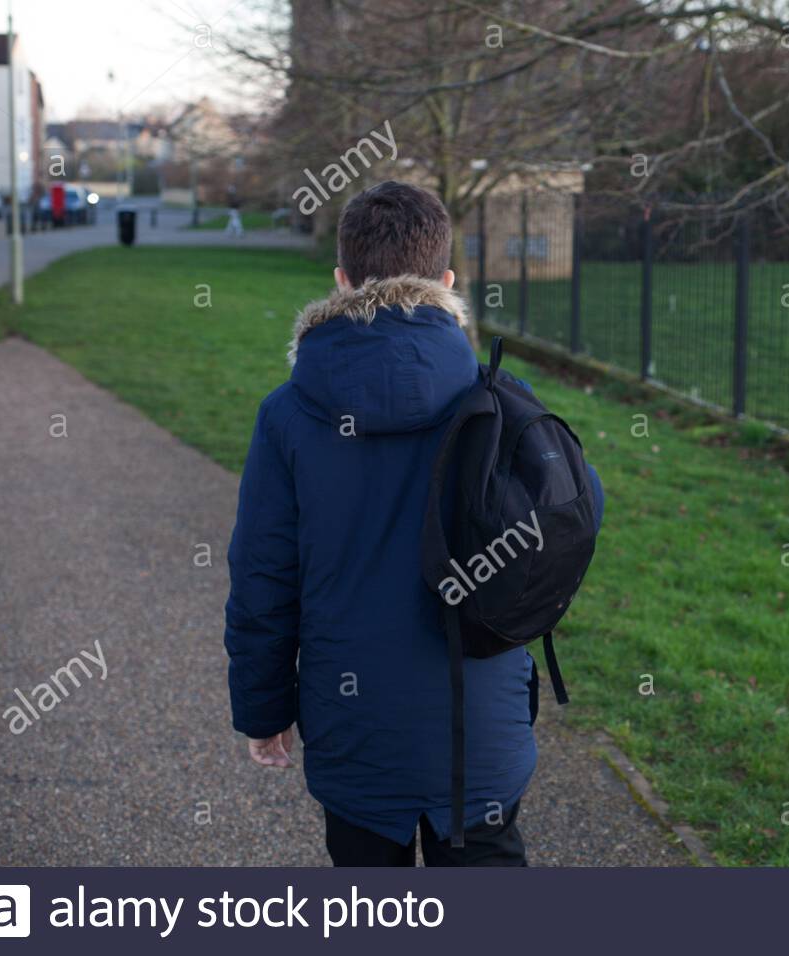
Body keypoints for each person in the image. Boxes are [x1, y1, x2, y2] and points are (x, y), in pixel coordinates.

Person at [223, 181, 601, 866]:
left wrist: (262, 708)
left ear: (341, 281)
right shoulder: (498, 403)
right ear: (448, 282)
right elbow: (572, 518)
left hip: (354, 730)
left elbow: (262, 578)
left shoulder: (288, 414)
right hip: (481, 726)